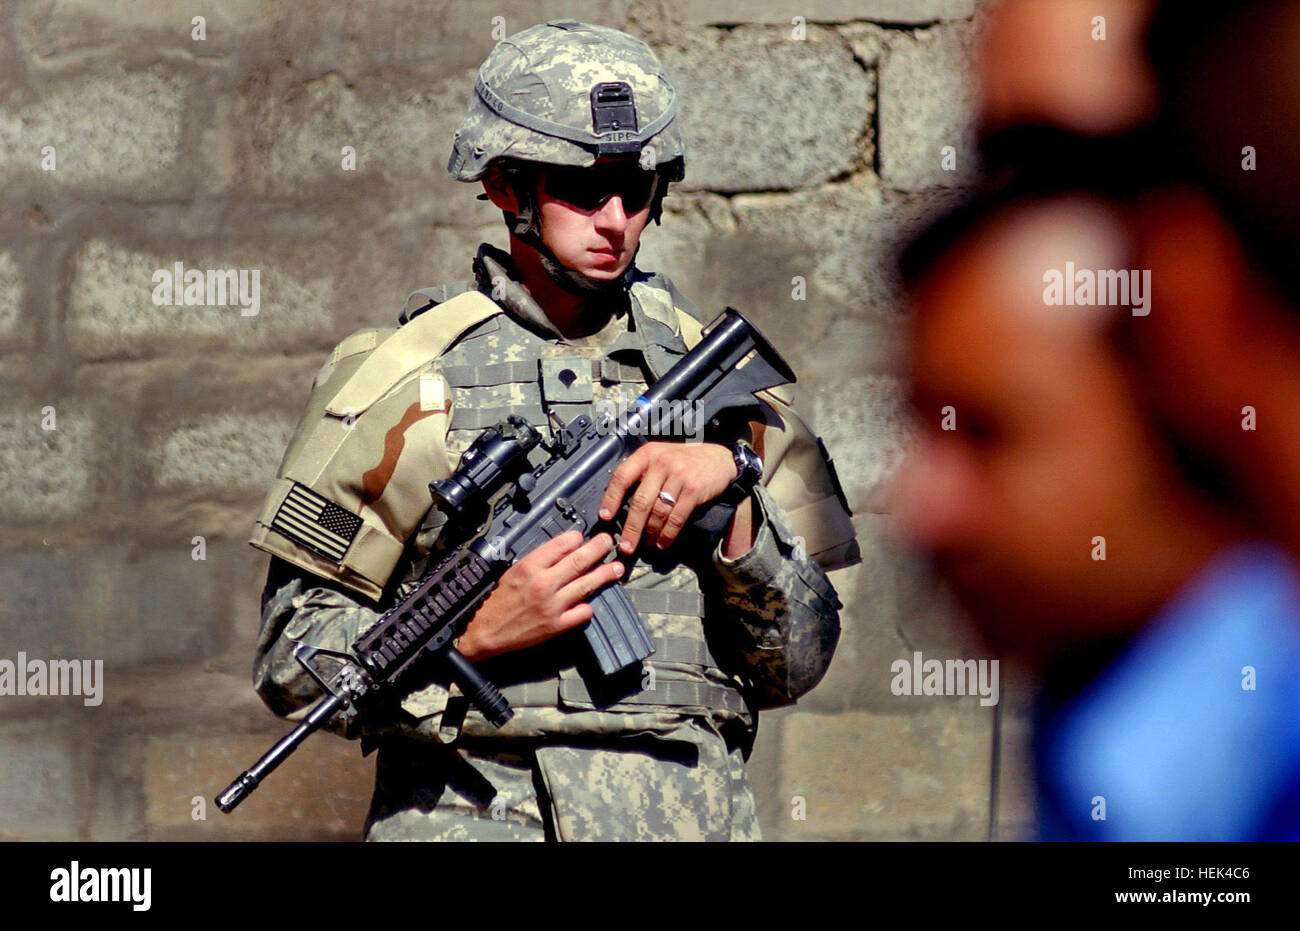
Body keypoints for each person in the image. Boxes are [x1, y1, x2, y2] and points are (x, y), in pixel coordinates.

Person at [247, 19, 857, 842]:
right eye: (580, 186)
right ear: (506, 187)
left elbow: (799, 662)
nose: (614, 219)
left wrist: (733, 499)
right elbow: (291, 656)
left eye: (635, 190)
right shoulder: (401, 377)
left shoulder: (716, 381)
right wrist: (471, 636)